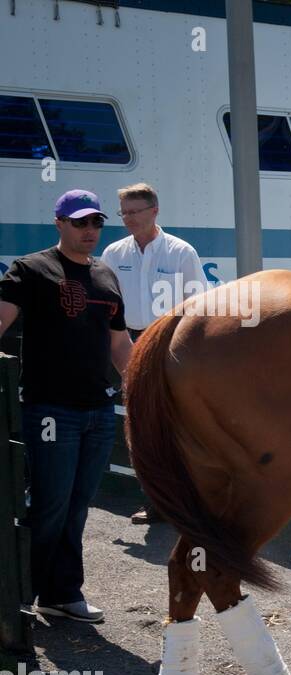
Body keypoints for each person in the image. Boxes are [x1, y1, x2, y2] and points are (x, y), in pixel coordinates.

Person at [0, 190, 132, 623]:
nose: (89, 230)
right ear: (59, 223)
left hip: (97, 410)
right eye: (80, 223)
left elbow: (118, 342)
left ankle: (62, 593)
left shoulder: (106, 276)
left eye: (95, 222)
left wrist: (137, 383)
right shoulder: (32, 269)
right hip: (51, 410)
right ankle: (19, 596)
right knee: (50, 504)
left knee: (78, 506)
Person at [101, 183, 206, 525]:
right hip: (127, 340)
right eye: (124, 213)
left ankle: (192, 504)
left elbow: (199, 307)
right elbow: (106, 304)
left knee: (179, 424)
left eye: (134, 211)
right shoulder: (114, 253)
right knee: (142, 425)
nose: (128, 219)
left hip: (170, 342)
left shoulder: (181, 252)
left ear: (154, 211)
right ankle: (156, 503)